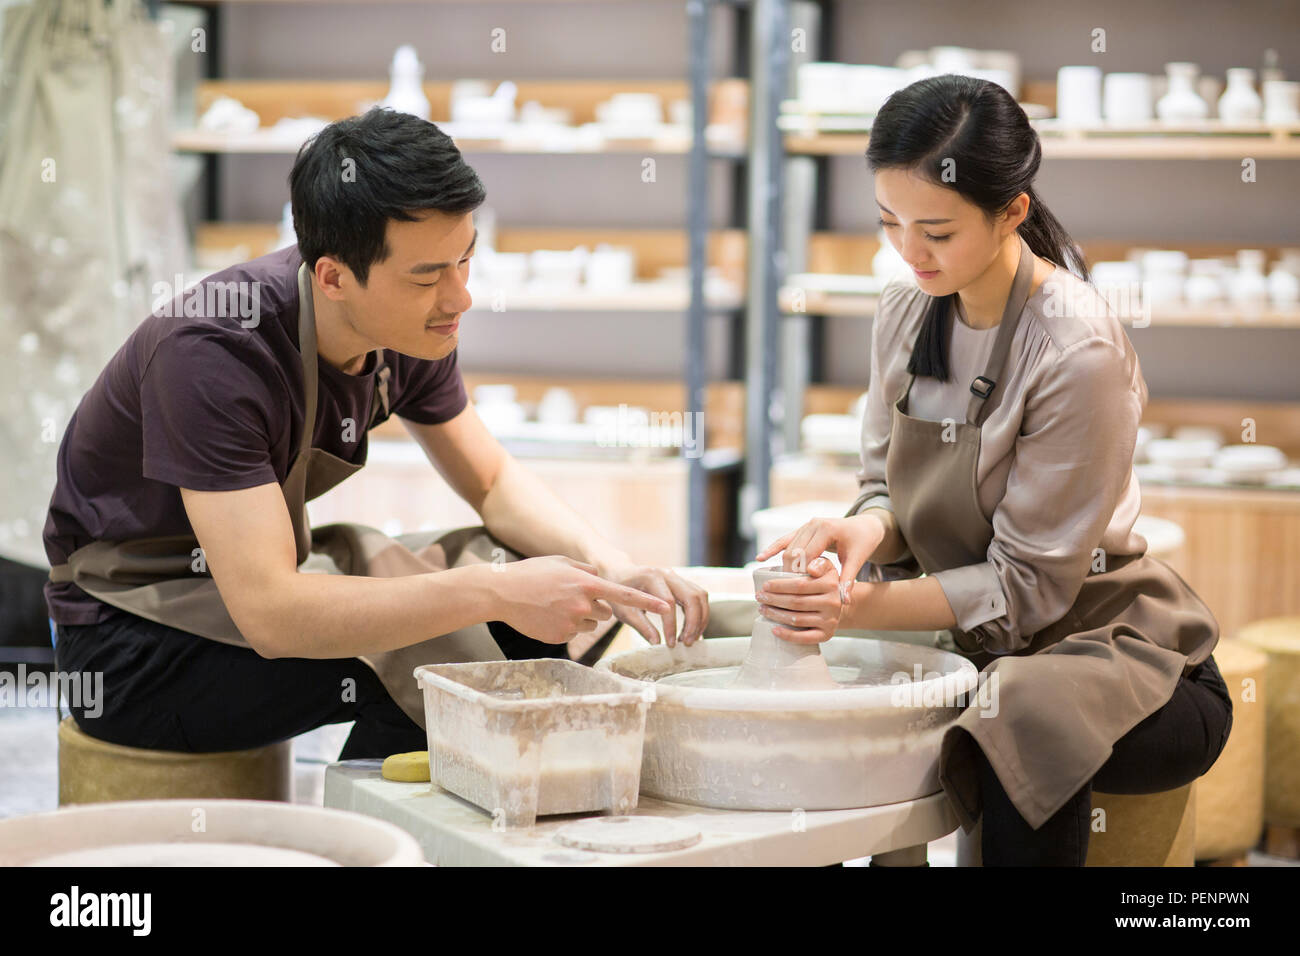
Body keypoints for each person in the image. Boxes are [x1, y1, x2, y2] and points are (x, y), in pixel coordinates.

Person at [45, 108, 707, 760]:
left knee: (510, 594)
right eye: (426, 276)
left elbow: (494, 483)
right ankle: (390, 841)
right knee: (440, 662)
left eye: (464, 262)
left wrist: (615, 568)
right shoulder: (214, 353)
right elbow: (271, 612)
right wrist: (494, 593)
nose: (458, 299)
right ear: (332, 276)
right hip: (131, 640)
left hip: (245, 589)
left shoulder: (411, 328)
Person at [755, 74, 1232, 866]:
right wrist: (861, 528)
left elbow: (1022, 595)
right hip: (977, 645)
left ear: (1011, 211)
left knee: (1020, 702)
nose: (910, 252)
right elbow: (885, 485)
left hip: (1120, 661)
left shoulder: (1076, 349)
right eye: (889, 223)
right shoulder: (905, 309)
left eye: (936, 231)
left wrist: (852, 607)